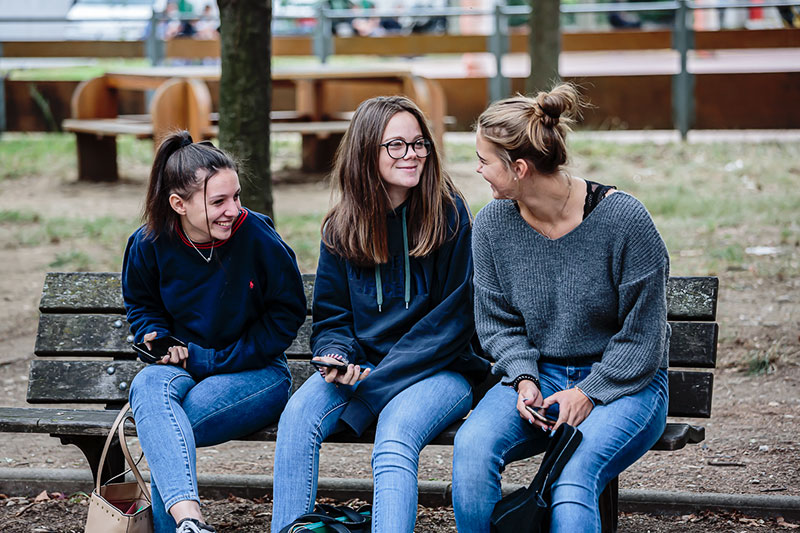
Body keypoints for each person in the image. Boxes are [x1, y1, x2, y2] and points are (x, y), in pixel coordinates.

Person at [452, 84, 671, 533]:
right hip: (542, 376)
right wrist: (524, 378)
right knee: (471, 451)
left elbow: (644, 336)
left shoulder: (623, 220)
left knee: (572, 479)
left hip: (625, 386)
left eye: (483, 160)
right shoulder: (493, 224)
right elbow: (497, 321)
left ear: (518, 168)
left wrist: (589, 392)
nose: (477, 170)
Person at [271, 96, 488, 533]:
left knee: (395, 434)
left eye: (418, 143)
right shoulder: (340, 226)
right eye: (396, 145)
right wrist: (335, 355)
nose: (411, 155)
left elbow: (454, 321)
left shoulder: (449, 215)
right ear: (367, 151)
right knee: (297, 417)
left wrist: (377, 383)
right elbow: (334, 317)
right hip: (364, 369)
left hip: (442, 371)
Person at [123, 132, 306, 533]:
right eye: (218, 201)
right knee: (148, 385)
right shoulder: (149, 243)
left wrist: (213, 359)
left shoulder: (257, 235)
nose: (233, 210)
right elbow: (141, 305)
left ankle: (184, 525)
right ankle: (190, 521)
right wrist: (155, 334)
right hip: (180, 371)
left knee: (164, 432)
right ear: (178, 204)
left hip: (256, 374)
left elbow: (287, 312)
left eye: (236, 197)